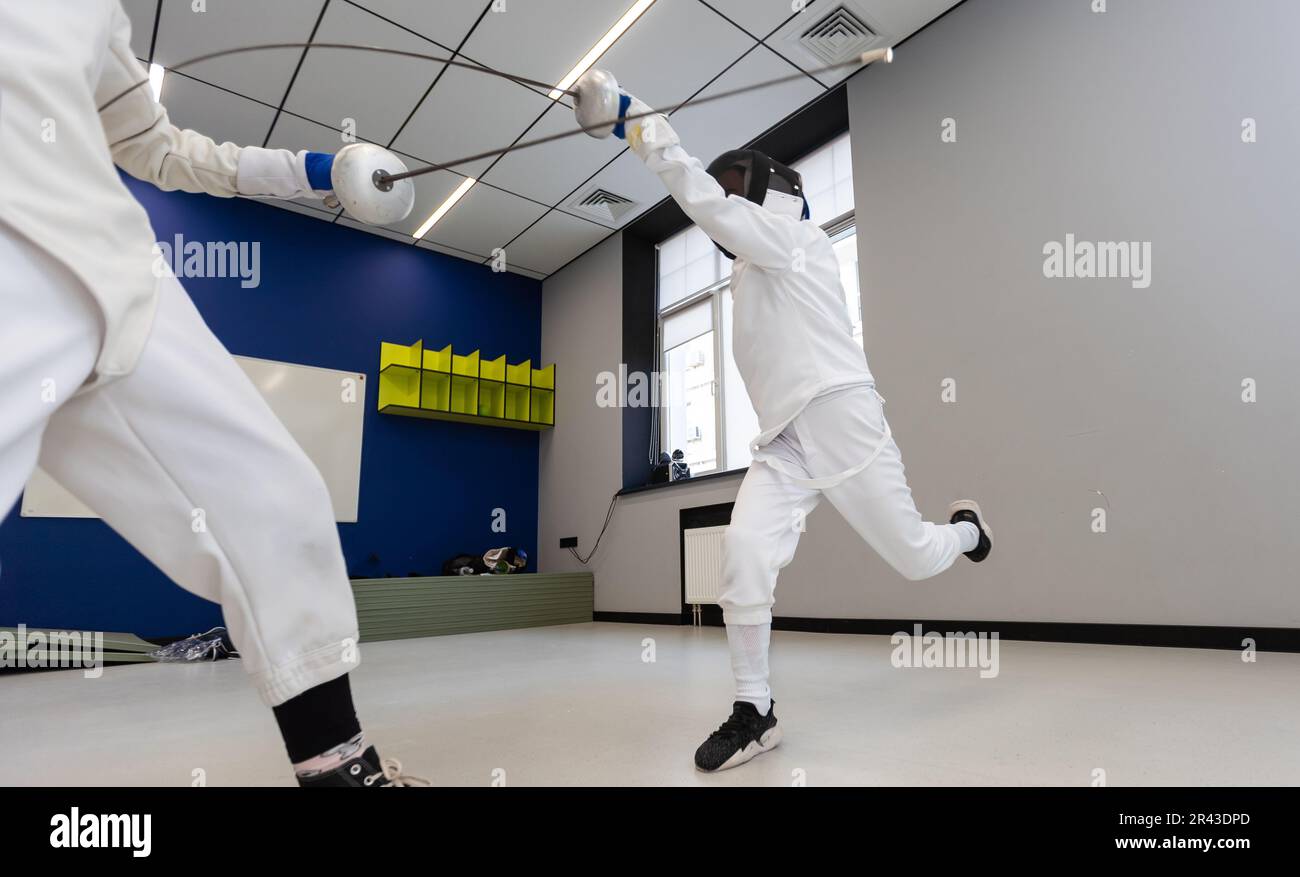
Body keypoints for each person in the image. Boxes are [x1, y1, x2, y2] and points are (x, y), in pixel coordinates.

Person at [0, 1, 423, 786]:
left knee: (279, 497)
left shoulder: (97, 13)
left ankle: (339, 766)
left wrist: (314, 171)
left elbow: (156, 148)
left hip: (114, 261)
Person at [599, 90, 994, 772]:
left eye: (734, 189)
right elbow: (722, 221)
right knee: (744, 555)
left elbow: (711, 208)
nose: (726, 207)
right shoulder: (749, 276)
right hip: (782, 443)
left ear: (769, 194)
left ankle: (969, 532)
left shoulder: (798, 240)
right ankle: (755, 710)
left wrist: (644, 129)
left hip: (842, 420)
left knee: (915, 556)